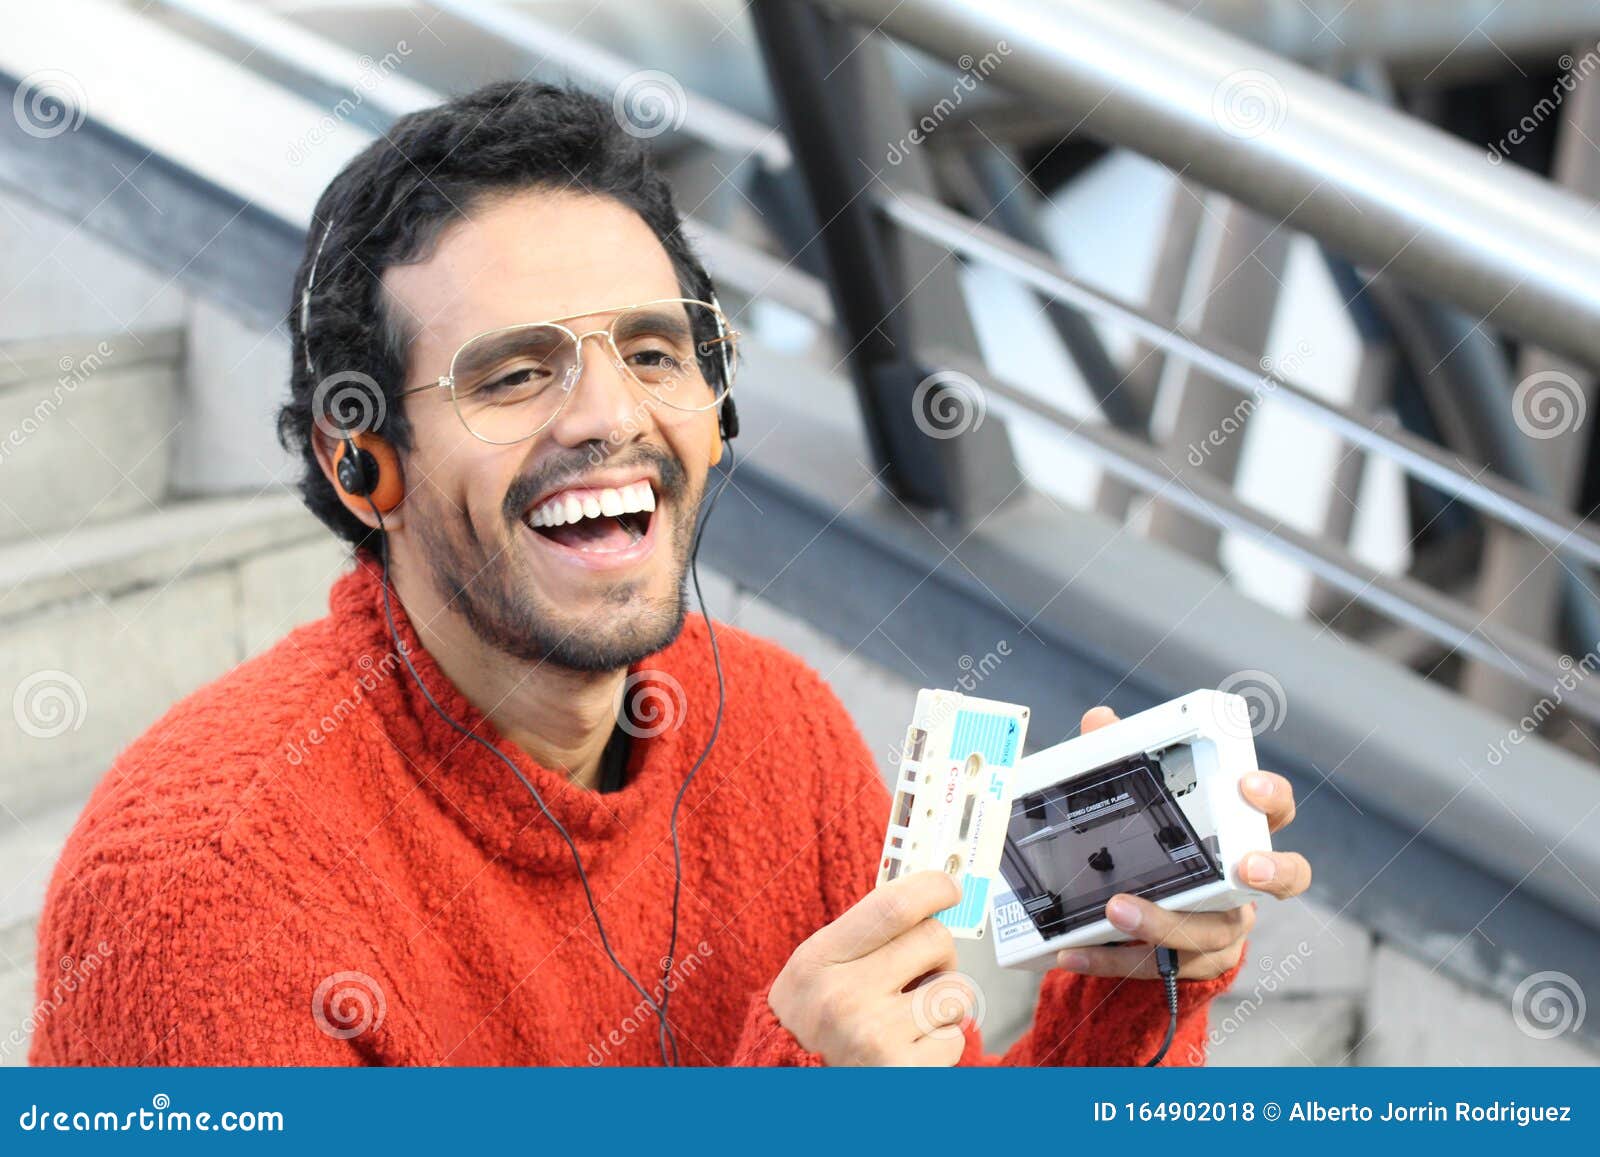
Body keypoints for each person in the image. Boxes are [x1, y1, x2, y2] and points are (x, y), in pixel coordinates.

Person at [31, 81, 1310, 1067]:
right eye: (515, 371)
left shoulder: (779, 729)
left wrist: (1127, 990)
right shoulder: (196, 886)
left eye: (653, 352)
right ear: (366, 460)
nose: (609, 416)